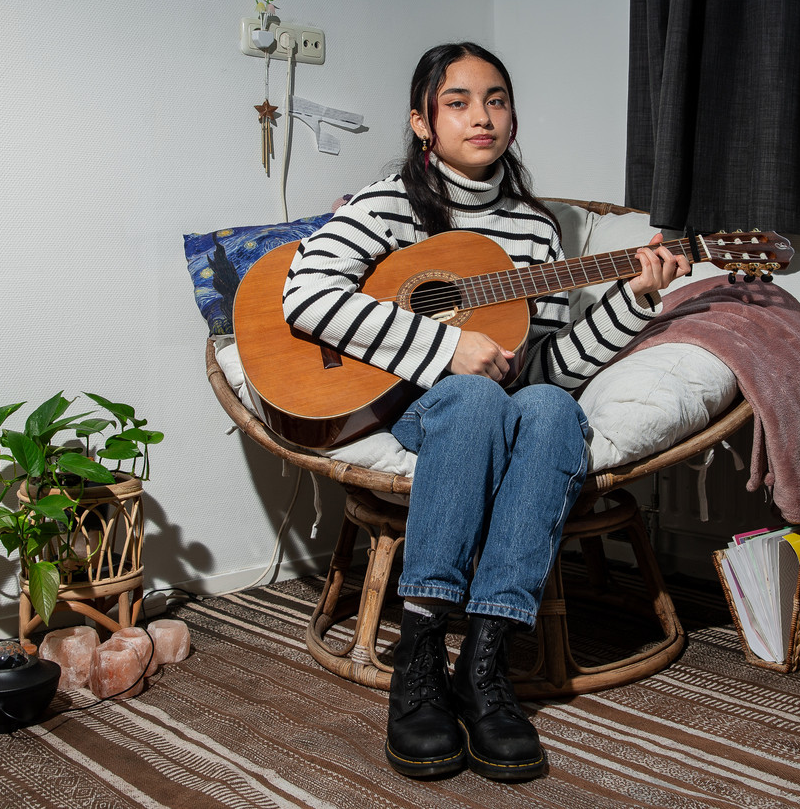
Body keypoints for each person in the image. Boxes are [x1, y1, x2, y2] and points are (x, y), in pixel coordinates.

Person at [281, 42, 690, 782]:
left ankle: (486, 659)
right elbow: (303, 299)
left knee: (549, 411)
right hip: (405, 401)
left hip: (498, 400)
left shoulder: (536, 233)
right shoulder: (388, 204)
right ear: (423, 123)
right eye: (458, 101)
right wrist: (442, 350)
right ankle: (420, 656)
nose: (482, 116)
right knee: (470, 393)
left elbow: (542, 367)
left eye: (496, 99)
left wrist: (635, 301)